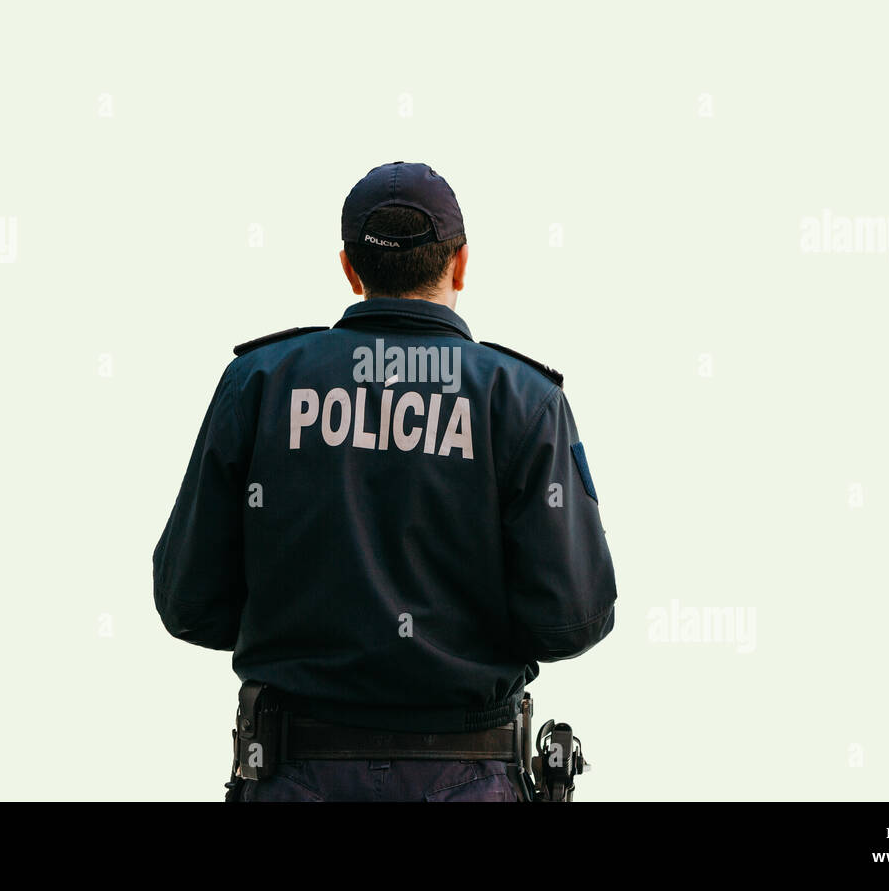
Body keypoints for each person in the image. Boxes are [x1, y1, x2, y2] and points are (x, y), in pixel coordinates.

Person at [153, 161, 616, 801]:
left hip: (295, 774)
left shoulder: (259, 384)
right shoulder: (523, 400)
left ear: (349, 268)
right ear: (460, 265)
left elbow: (188, 603)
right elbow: (571, 621)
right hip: (470, 781)